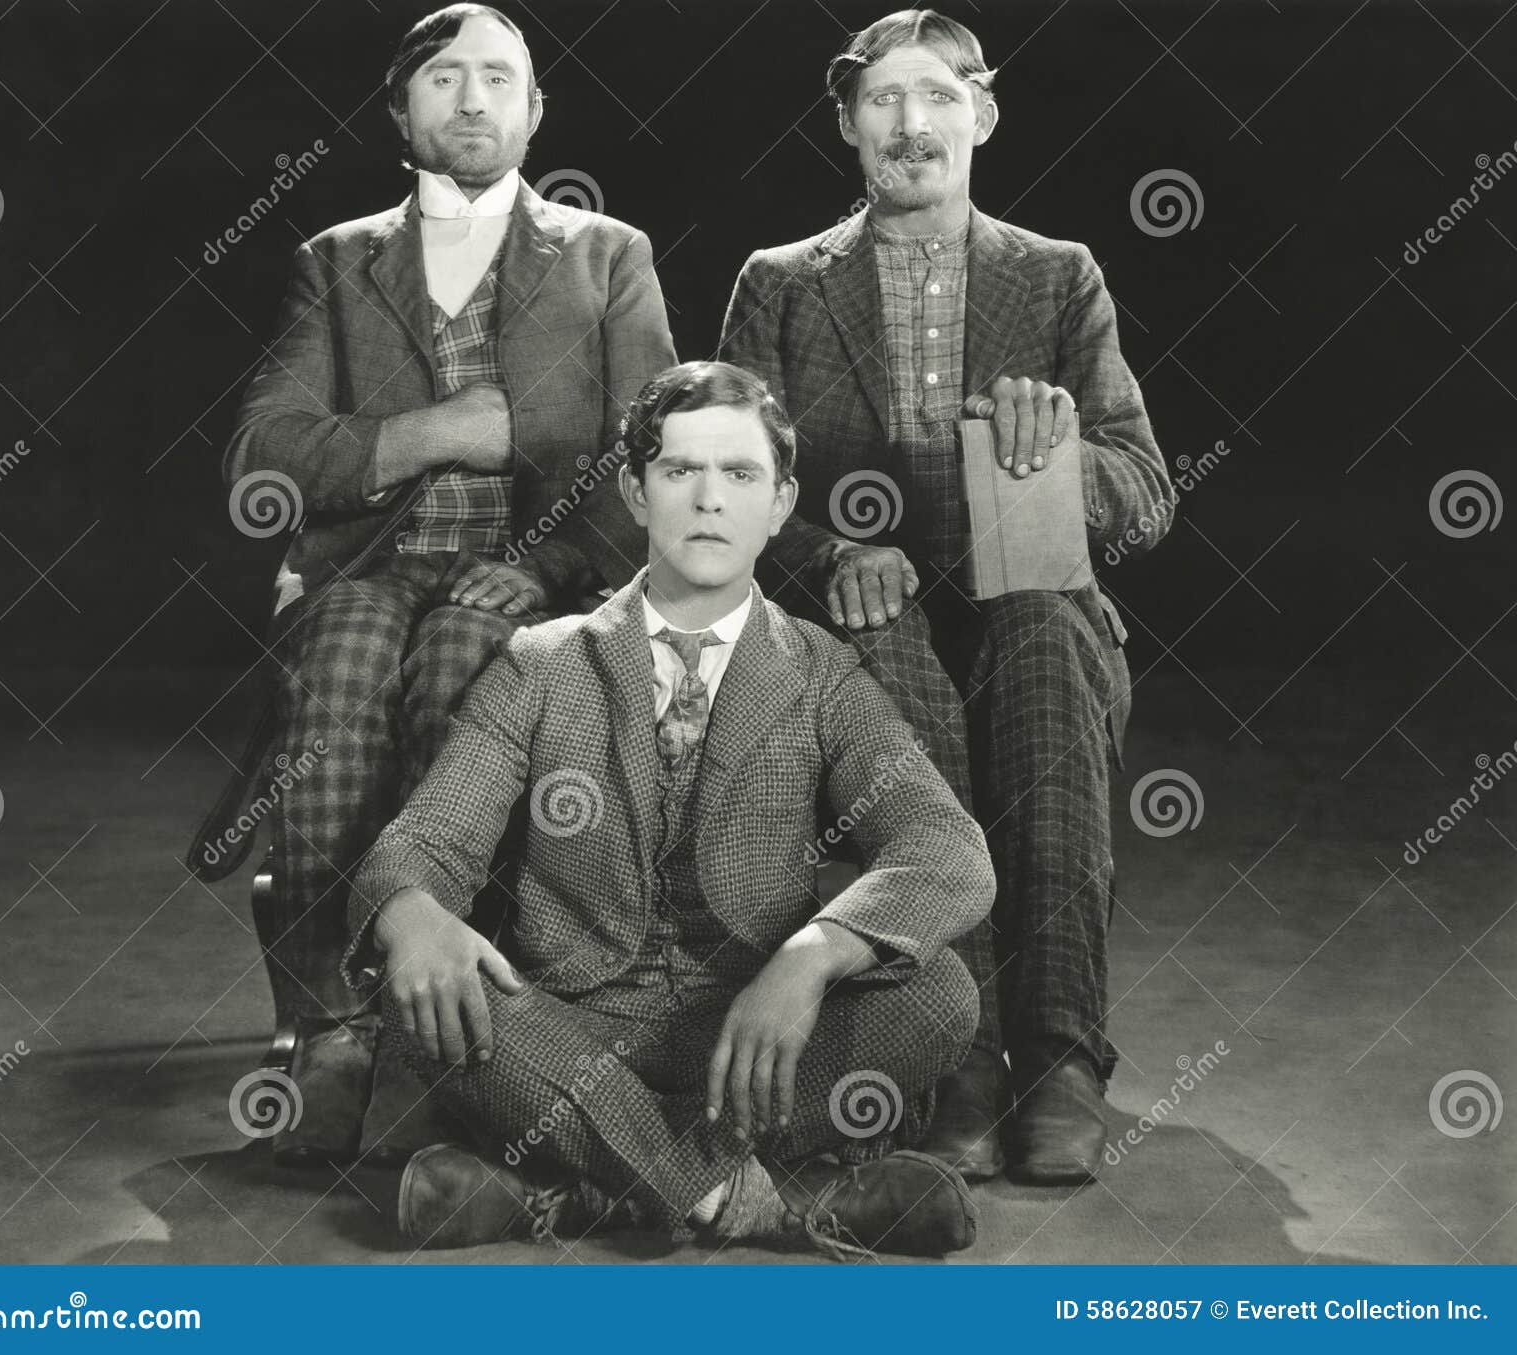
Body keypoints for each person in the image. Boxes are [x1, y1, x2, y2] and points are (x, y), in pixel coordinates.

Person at [343, 362, 992, 1257]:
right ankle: (772, 1202)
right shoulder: (540, 663)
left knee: (942, 997)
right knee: (417, 987)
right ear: (635, 492)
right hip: (567, 1032)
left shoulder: (821, 672)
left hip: (750, 1036)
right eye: (681, 470)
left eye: (740, 474)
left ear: (780, 502)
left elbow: (946, 844)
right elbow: (425, 839)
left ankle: (570, 1194)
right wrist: (411, 910)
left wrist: (812, 955)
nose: (710, 501)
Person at [207, 3, 676, 1162]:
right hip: (372, 566)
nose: (471, 100)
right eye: (444, 79)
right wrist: (437, 432)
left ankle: (447, 1030)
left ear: (534, 110)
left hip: (531, 573)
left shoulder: (606, 255)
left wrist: (547, 564)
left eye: (498, 78)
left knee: (455, 688)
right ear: (399, 107)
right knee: (336, 691)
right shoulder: (337, 259)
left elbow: (651, 453)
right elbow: (264, 450)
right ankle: (333, 1027)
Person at [720, 9, 1175, 1184]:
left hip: (1026, 601)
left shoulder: (1058, 277)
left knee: (1039, 648)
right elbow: (728, 482)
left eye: (935, 97)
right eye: (882, 100)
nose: (910, 124)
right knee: (900, 675)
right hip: (865, 612)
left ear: (982, 113)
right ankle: (960, 1055)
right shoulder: (778, 286)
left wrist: (1060, 463)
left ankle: (1061, 1057)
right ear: (845, 123)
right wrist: (823, 554)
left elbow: (1146, 493)